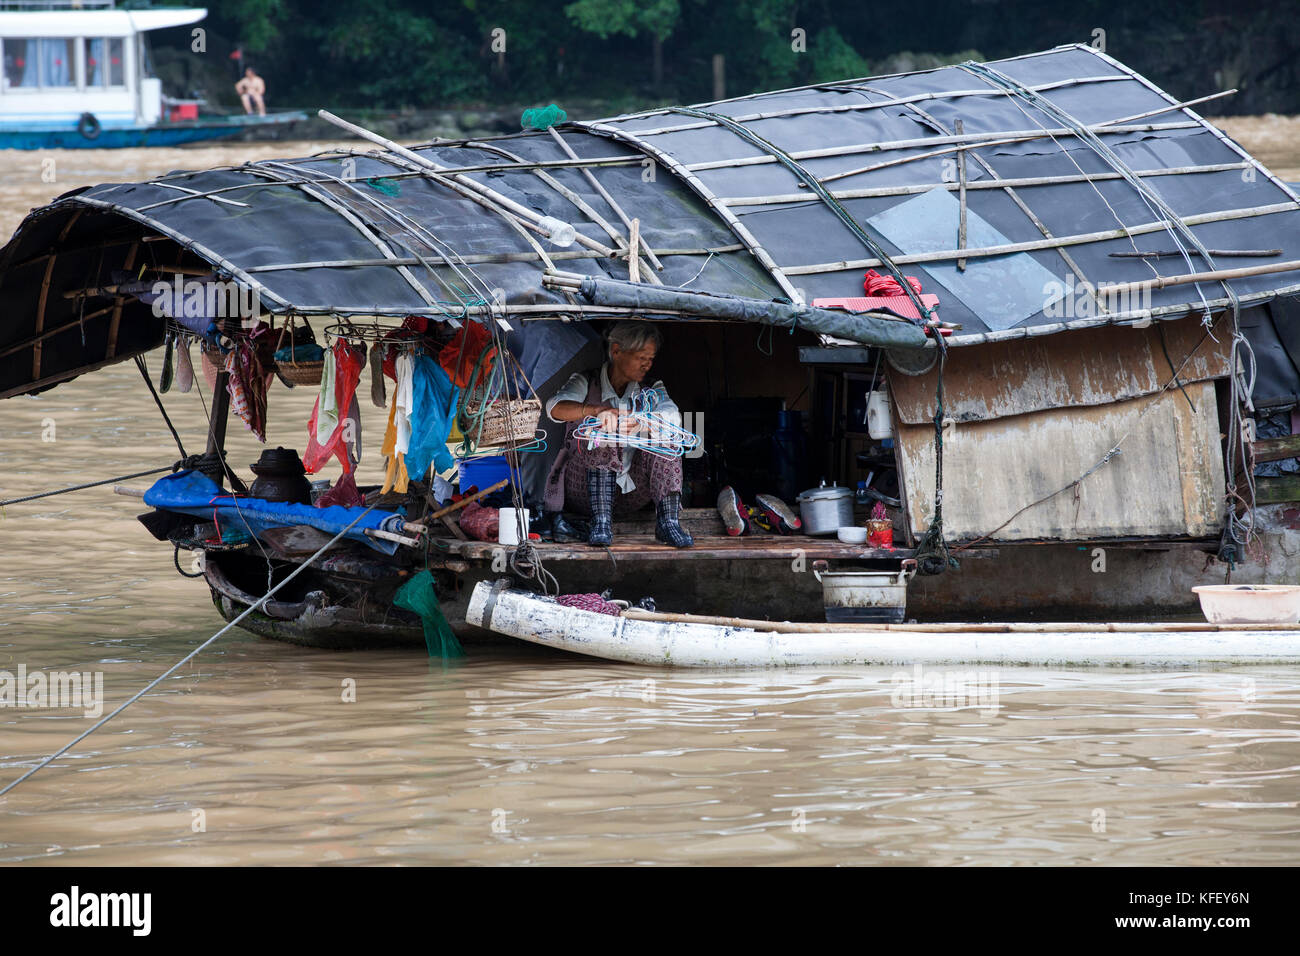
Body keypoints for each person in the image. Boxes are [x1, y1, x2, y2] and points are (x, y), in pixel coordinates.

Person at [543, 321, 692, 548]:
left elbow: (673, 416)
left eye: (650, 359)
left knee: (666, 440)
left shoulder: (652, 388)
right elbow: (555, 407)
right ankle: (600, 523)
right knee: (603, 432)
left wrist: (642, 422)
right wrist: (596, 412)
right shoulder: (587, 380)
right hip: (583, 491)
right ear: (616, 351)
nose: (647, 365)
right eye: (642, 358)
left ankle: (669, 522)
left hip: (630, 493)